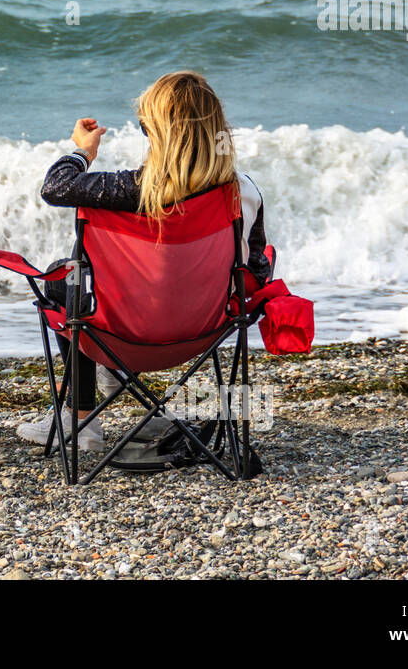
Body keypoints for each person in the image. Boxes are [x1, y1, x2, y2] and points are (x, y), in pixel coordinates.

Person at [16, 71, 271, 452]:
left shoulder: (129, 189)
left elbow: (56, 186)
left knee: (64, 276)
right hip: (201, 333)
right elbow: (255, 272)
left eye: (145, 127)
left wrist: (82, 151)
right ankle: (115, 377)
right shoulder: (243, 193)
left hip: (119, 334)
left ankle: (82, 415)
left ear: (159, 135)